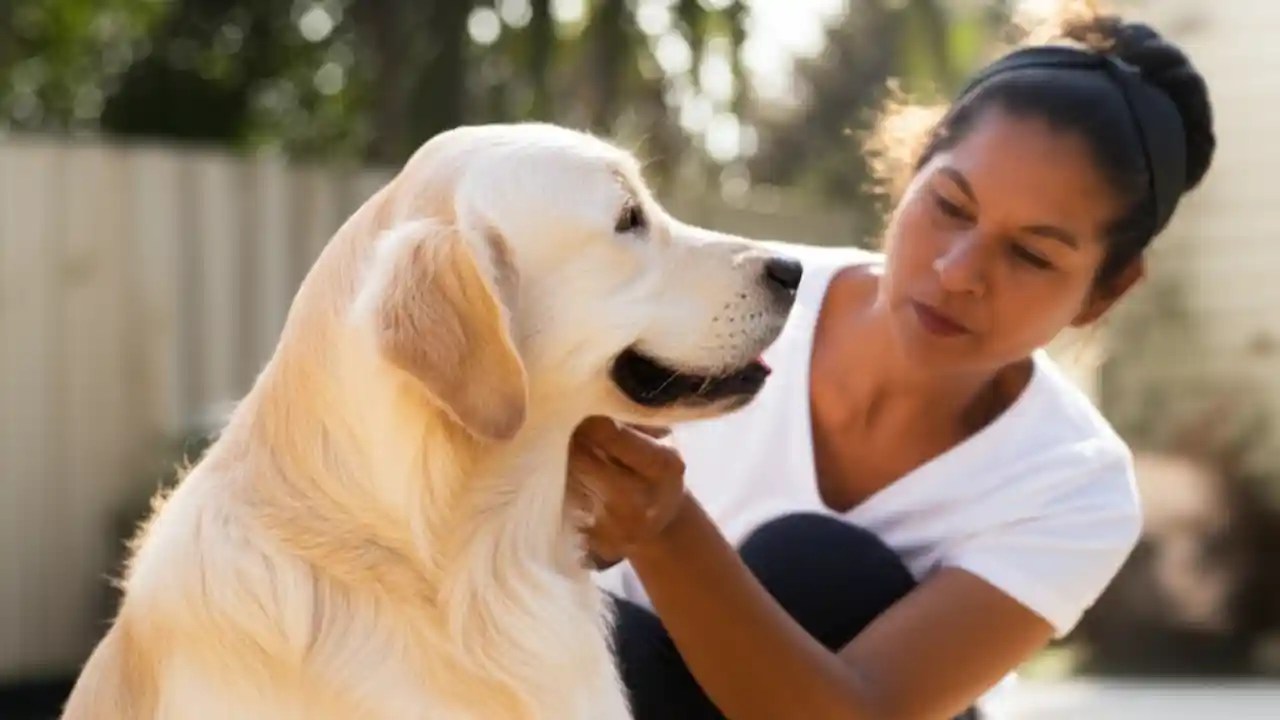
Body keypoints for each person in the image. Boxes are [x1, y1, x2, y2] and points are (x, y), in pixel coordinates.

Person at [569, 7, 1217, 720]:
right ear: (912, 171)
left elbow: (866, 714)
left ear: (1105, 291)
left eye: (1031, 255)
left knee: (823, 571)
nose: (957, 271)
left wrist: (665, 529)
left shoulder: (1072, 480)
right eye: (949, 206)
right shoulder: (729, 297)